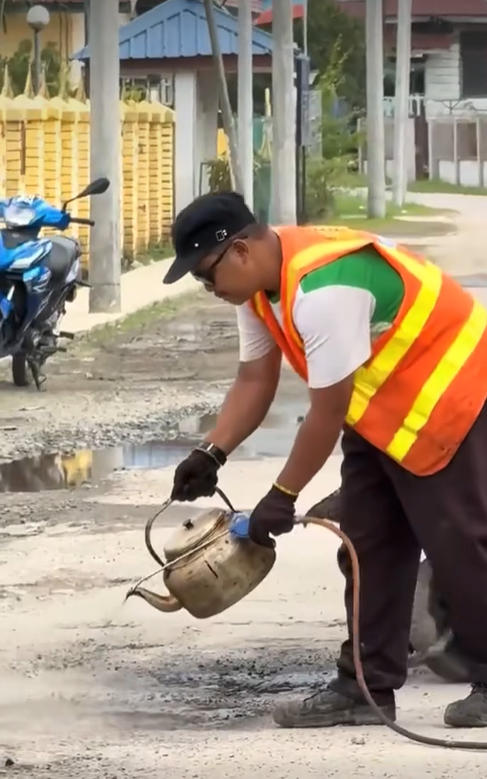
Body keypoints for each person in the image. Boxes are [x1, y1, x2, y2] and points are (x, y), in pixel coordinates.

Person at [163, 190, 487, 730]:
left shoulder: (323, 291)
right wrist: (210, 451)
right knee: (366, 541)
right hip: (384, 407)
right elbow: (255, 379)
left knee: (460, 542)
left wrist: (282, 496)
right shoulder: (262, 292)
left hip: (452, 392)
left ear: (239, 251)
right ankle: (366, 688)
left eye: (206, 275)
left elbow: (327, 411)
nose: (209, 289)